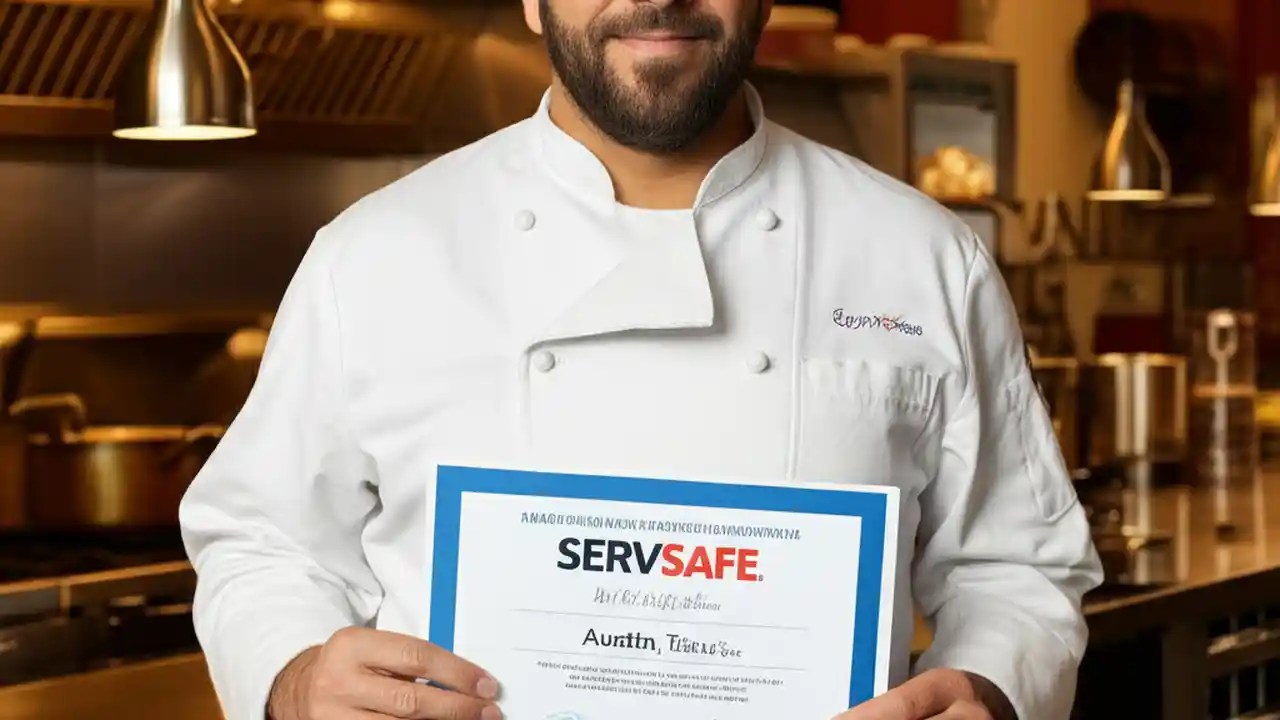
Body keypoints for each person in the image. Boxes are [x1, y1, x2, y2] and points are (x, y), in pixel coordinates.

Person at [178, 1, 1103, 719]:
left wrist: (990, 684)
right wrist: (293, 676)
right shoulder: (376, 253)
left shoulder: (923, 255)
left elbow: (1017, 564)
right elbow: (262, 541)